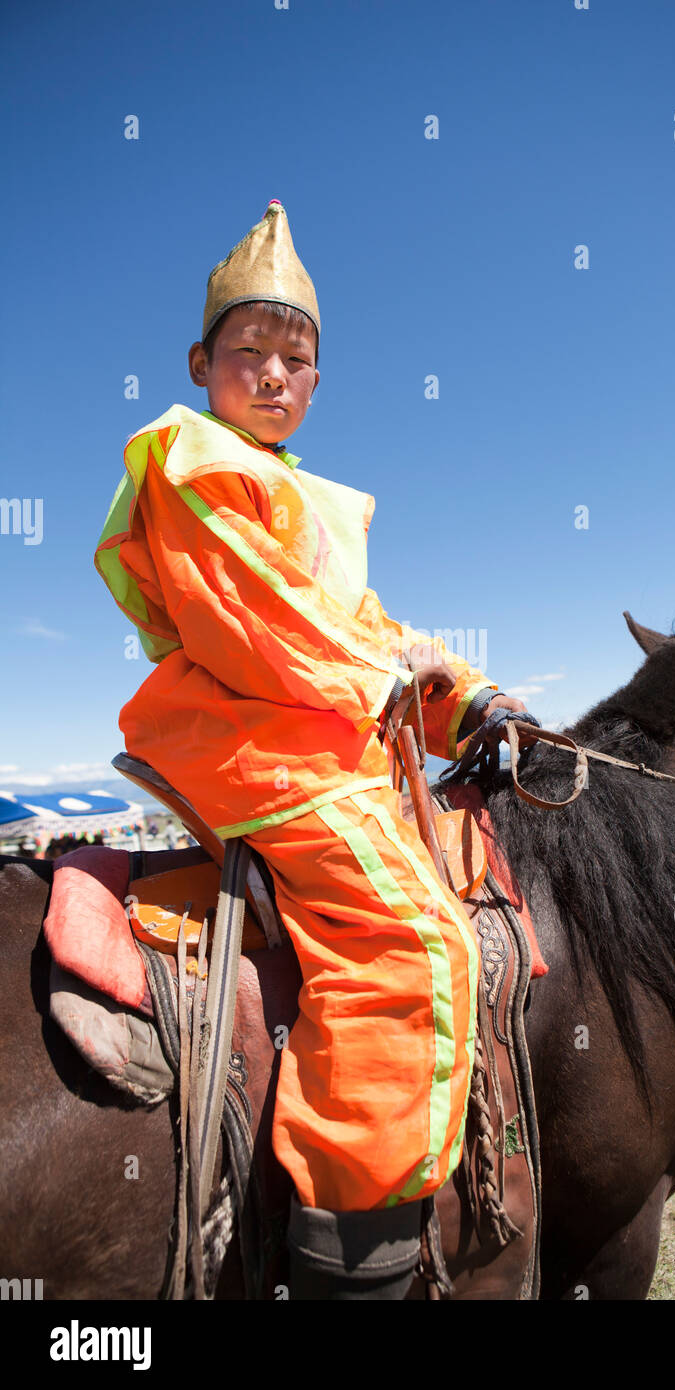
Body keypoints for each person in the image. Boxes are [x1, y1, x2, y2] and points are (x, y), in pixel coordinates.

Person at [94, 201, 527, 1298]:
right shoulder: (191, 461)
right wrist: (386, 683)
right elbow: (253, 617)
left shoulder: (313, 503)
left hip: (317, 735)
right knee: (415, 939)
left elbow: (376, 633)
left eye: (296, 359)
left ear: (318, 383)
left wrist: (472, 705)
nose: (274, 375)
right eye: (249, 353)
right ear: (201, 363)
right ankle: (355, 1264)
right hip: (253, 741)